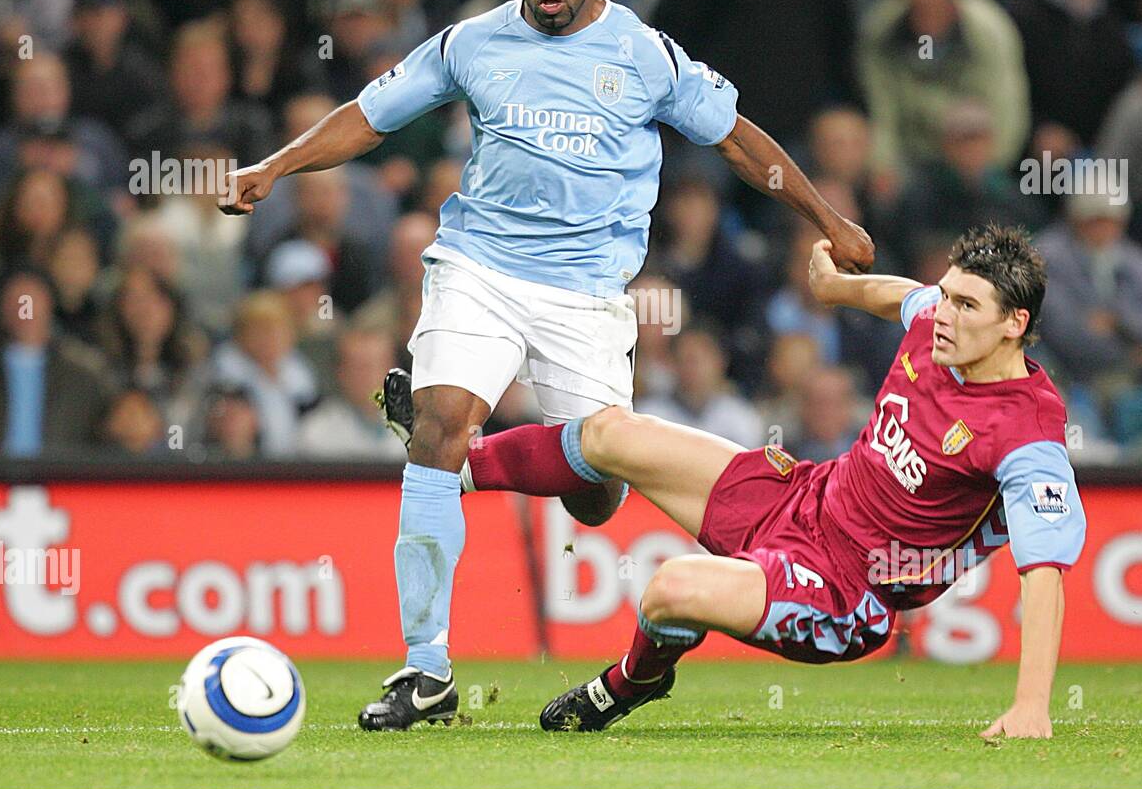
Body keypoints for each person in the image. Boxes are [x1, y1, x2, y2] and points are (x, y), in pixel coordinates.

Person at [216, 0, 874, 731]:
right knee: (440, 416)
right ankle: (426, 671)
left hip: (588, 295)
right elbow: (370, 115)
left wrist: (829, 218)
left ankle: (469, 462)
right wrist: (274, 167)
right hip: (478, 268)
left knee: (595, 492)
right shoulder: (472, 41)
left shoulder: (642, 53)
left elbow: (737, 140)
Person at [460, 223, 1086, 738]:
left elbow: (1045, 571)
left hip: (847, 590)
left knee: (669, 588)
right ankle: (452, 464)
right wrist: (837, 288)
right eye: (947, 295)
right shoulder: (938, 326)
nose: (943, 313)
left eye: (966, 305)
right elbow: (904, 296)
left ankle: (636, 681)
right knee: (609, 434)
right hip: (805, 495)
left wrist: (1032, 704)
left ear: (1014, 323)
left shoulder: (1027, 434)